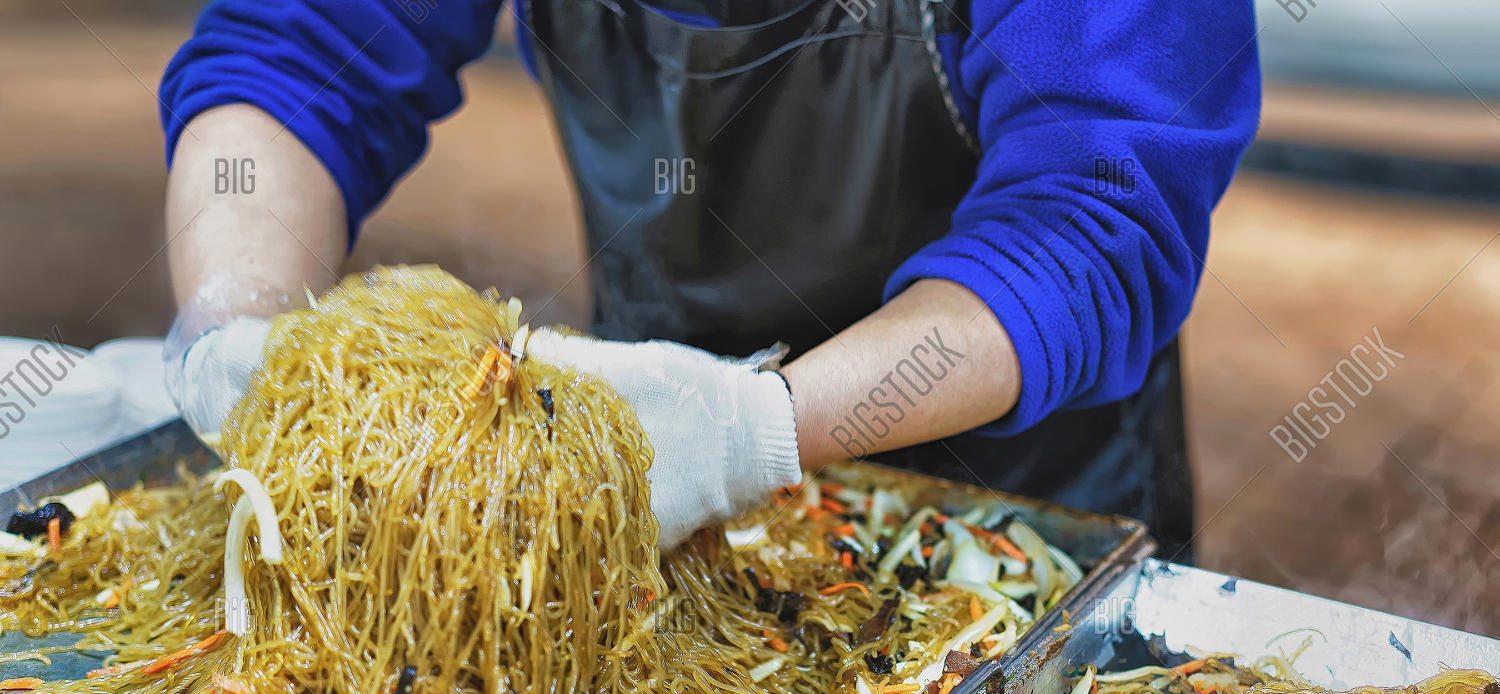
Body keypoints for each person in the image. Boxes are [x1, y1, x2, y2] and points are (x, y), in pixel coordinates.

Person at [159, 1, 1260, 556]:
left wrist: (752, 429)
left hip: (1015, 487)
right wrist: (234, 319)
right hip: (651, 468)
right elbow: (295, 54)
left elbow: (1096, 209)